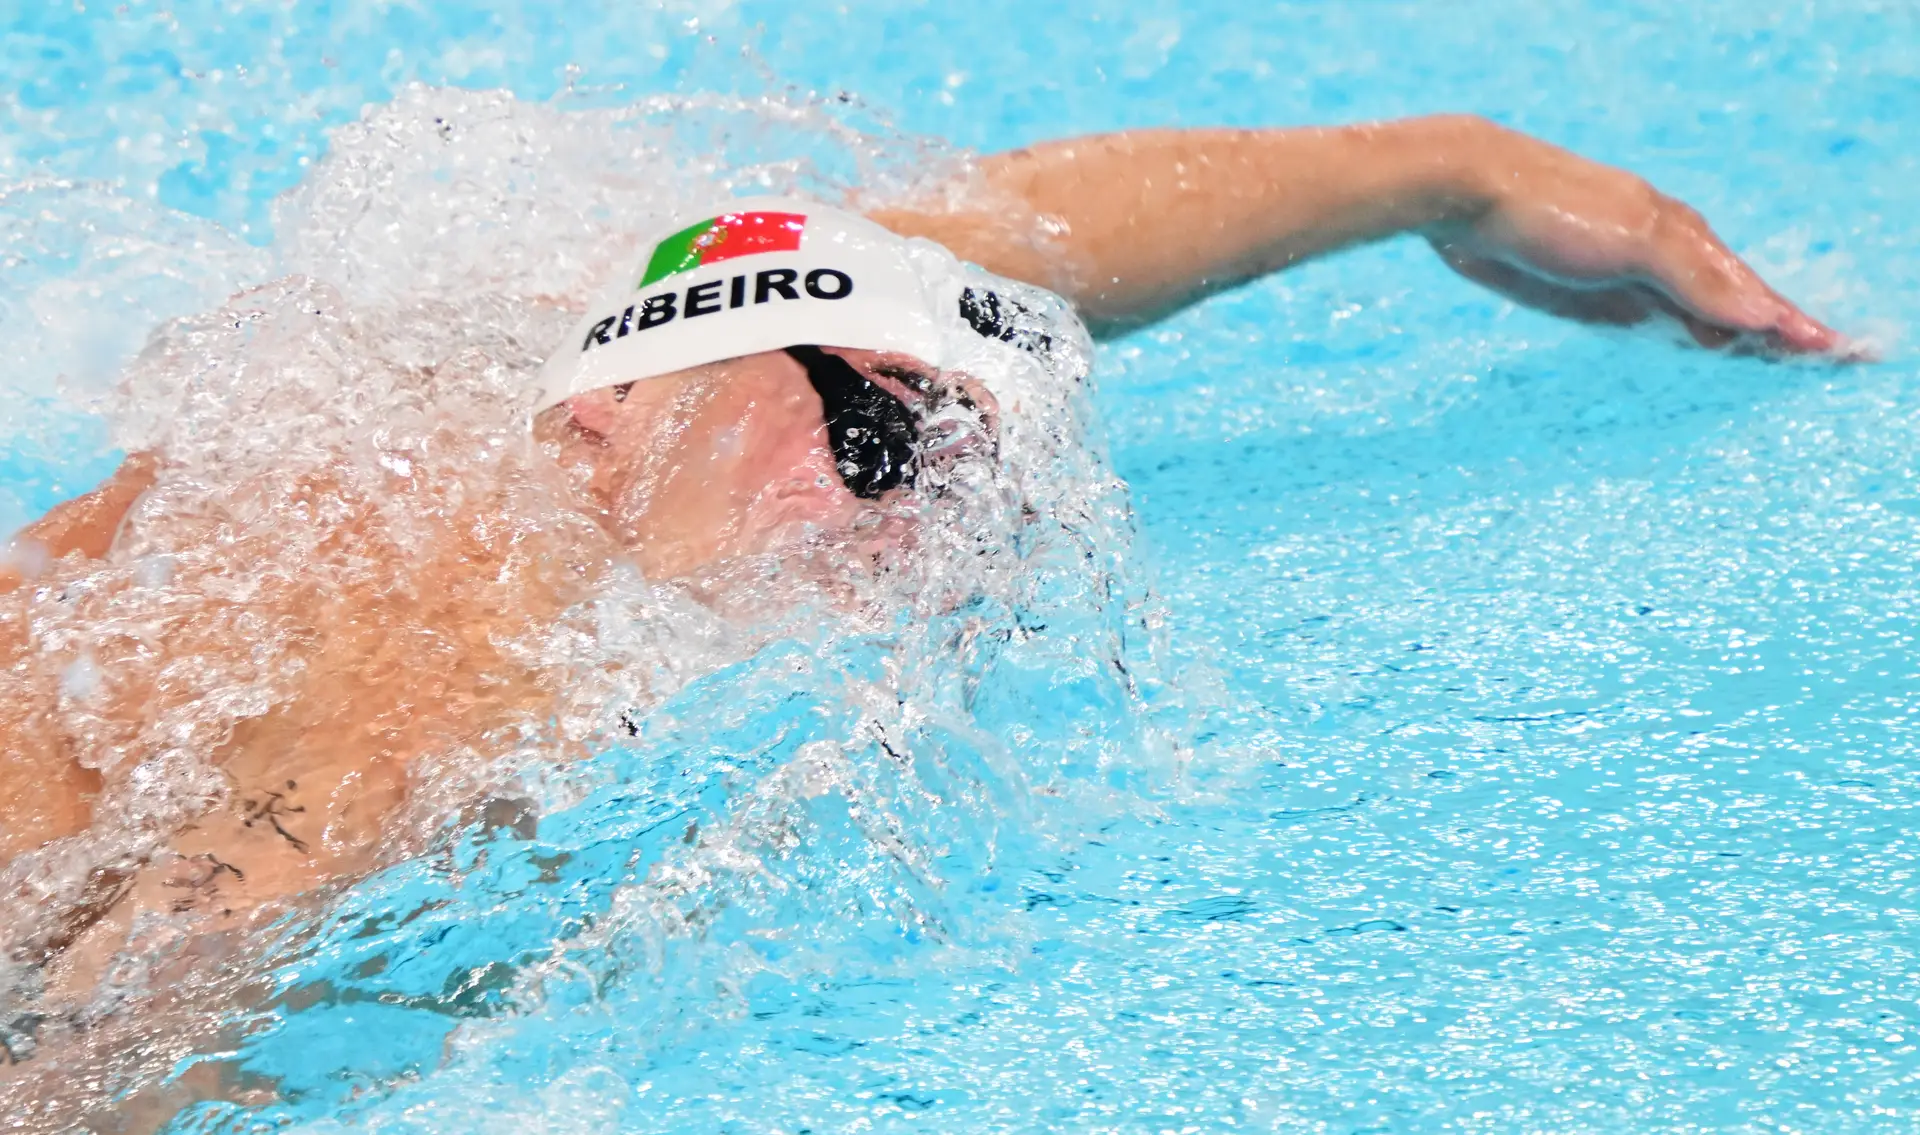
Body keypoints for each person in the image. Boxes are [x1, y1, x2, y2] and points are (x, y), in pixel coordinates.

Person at [0, 114, 1843, 1023]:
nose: (913, 529)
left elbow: (1015, 240)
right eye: (880, 445)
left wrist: (1447, 169)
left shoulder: (619, 373)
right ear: (612, 409)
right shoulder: (439, 673)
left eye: (986, 479)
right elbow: (129, 1028)